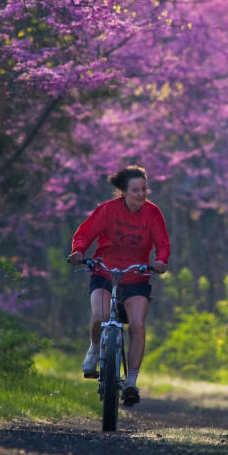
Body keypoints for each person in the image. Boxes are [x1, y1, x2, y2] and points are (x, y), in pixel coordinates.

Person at [67, 165, 170, 407]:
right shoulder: (107, 210)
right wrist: (78, 252)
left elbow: (162, 243)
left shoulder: (153, 213)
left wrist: (161, 261)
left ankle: (131, 381)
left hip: (136, 276)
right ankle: (94, 349)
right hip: (104, 272)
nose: (141, 194)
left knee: (137, 325)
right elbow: (85, 233)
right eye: (135, 190)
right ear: (122, 192)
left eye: (144, 189)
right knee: (100, 317)